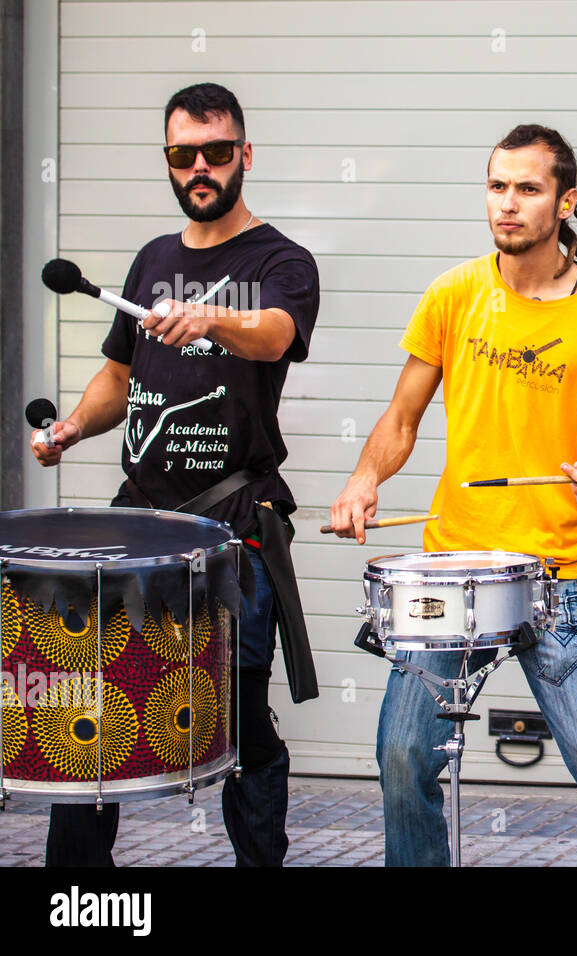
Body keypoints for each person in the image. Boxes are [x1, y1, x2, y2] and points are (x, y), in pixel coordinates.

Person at [329, 124, 577, 867]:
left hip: (555, 573)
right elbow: (401, 419)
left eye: (528, 189)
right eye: (498, 186)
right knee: (402, 755)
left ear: (566, 202)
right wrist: (364, 481)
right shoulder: (454, 294)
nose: (508, 204)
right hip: (453, 567)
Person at [31, 83, 320, 866]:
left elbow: (275, 334)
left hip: (232, 524)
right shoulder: (153, 260)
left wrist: (213, 317)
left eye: (216, 152)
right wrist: (71, 429)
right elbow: (119, 380)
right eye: (182, 154)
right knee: (88, 706)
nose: (200, 167)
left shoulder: (281, 261)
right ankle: (79, 896)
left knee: (237, 718)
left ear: (244, 156)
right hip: (137, 524)